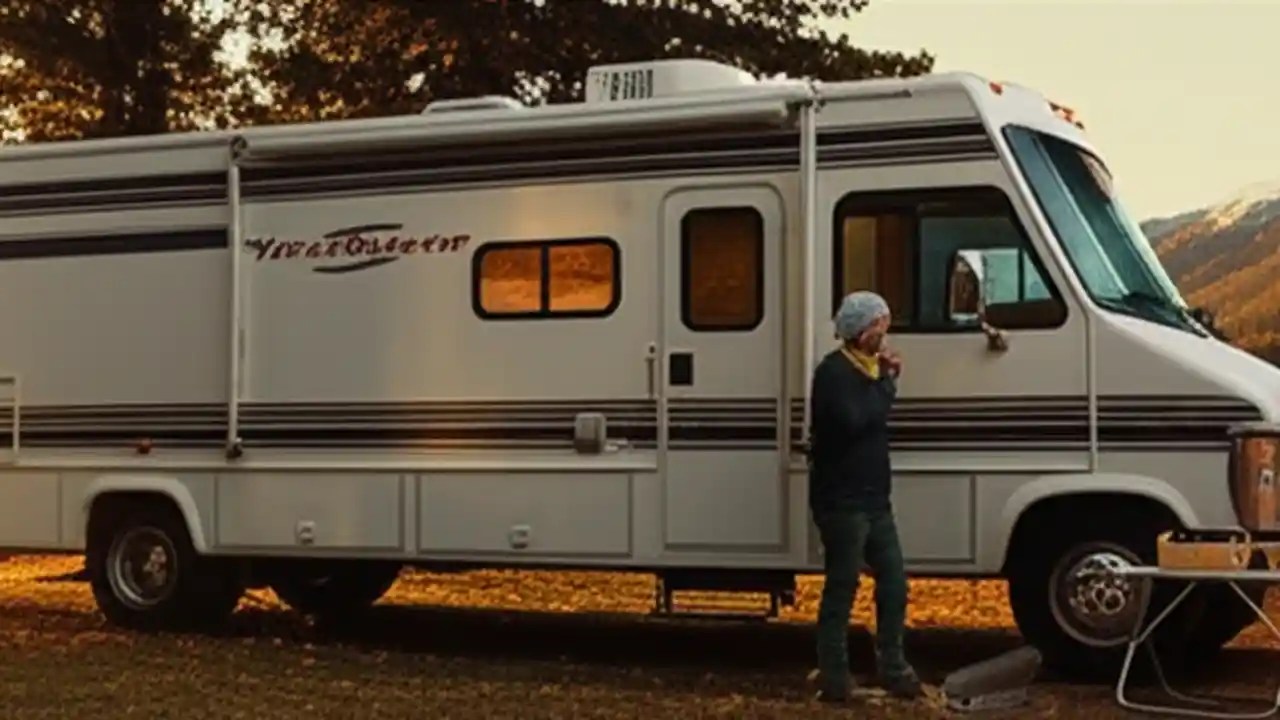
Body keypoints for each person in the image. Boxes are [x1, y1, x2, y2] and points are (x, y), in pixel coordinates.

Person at [807, 290, 922, 703]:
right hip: (842, 501)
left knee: (894, 582)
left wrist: (883, 379)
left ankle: (893, 666)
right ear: (860, 330)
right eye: (878, 326)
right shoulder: (834, 373)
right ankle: (834, 676)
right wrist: (887, 383)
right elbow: (856, 420)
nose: (883, 335)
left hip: (875, 499)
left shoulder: (869, 371)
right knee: (843, 586)